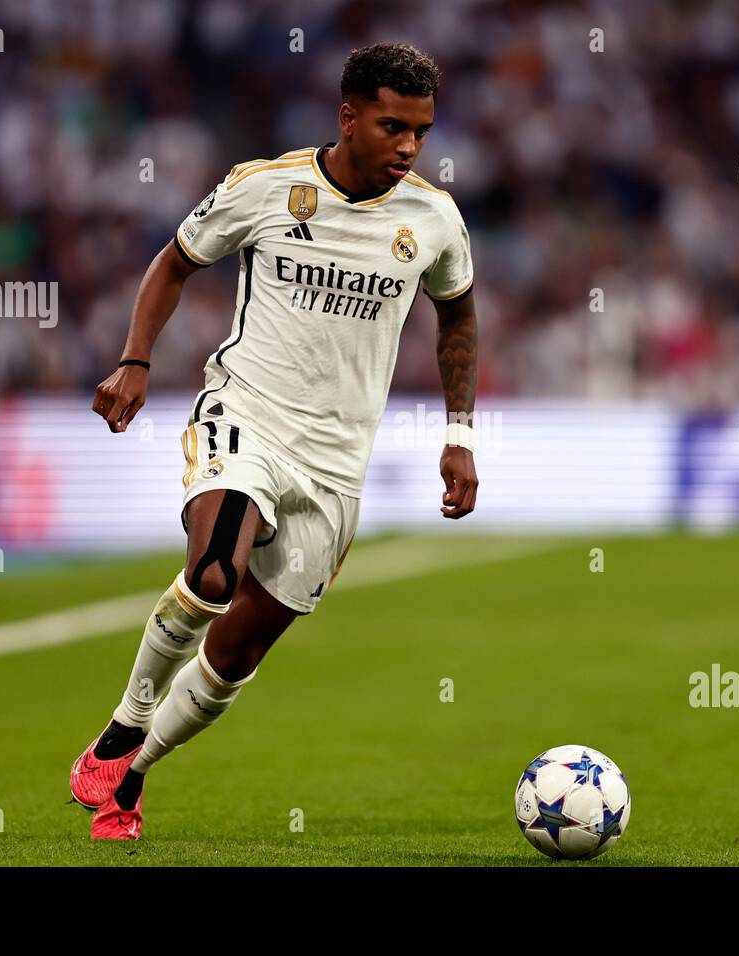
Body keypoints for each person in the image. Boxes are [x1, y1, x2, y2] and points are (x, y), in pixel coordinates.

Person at [71, 42, 479, 839]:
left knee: (236, 655)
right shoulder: (266, 187)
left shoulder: (433, 219)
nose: (407, 147)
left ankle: (132, 774)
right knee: (214, 572)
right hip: (247, 415)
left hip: (337, 465)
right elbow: (174, 264)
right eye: (392, 127)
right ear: (348, 116)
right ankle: (125, 721)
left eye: (421, 133)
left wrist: (459, 433)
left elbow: (457, 314)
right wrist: (134, 361)